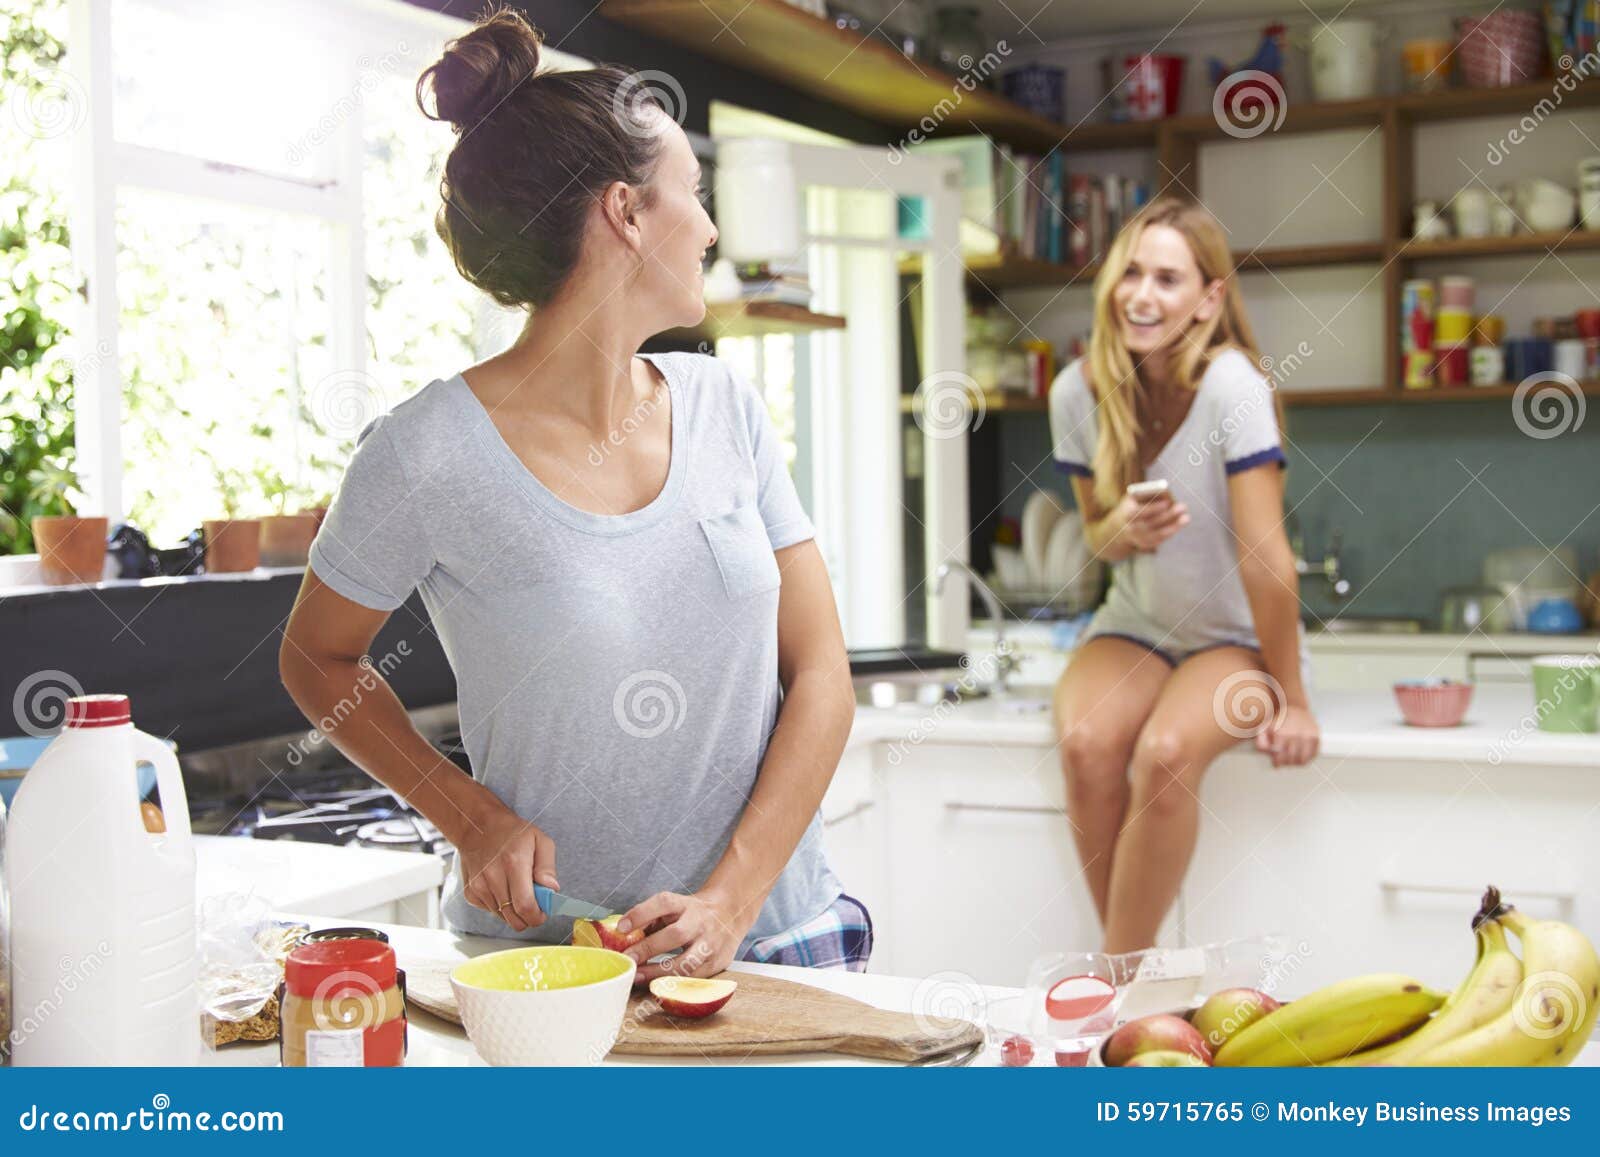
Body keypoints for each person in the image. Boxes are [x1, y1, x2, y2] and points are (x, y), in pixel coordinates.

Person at [279, 9, 868, 981]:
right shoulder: (425, 452)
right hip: (545, 965)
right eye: (693, 192)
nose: (712, 226)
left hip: (772, 940)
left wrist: (733, 896)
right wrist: (467, 811)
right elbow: (315, 655)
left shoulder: (726, 408)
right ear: (626, 214)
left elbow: (822, 675)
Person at [1048, 196, 1320, 955]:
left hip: (1232, 640)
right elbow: (1099, 540)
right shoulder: (1077, 391)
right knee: (1084, 741)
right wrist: (1119, 530)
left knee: (1165, 753)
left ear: (1209, 297)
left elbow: (1266, 557)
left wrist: (1292, 697)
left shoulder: (1233, 386)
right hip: (1135, 627)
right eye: (1131, 272)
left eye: (1169, 279)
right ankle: (1136, 979)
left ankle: (1111, 982)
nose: (1143, 294)